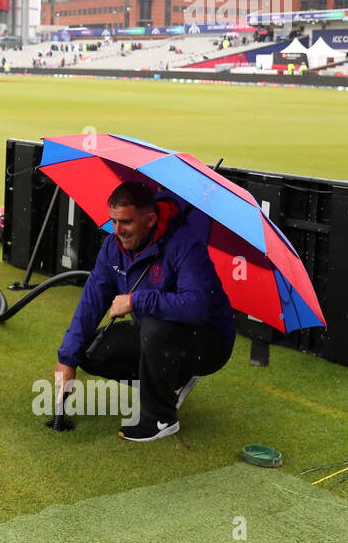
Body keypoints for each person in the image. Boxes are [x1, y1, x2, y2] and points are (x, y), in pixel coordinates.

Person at [53, 181, 236, 441]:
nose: (118, 231)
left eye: (125, 222)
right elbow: (91, 302)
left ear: (150, 219)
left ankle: (162, 418)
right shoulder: (111, 246)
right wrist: (67, 359)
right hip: (158, 336)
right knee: (90, 352)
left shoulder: (185, 244)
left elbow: (195, 306)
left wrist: (136, 300)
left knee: (154, 322)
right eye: (113, 221)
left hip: (208, 342)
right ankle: (173, 381)